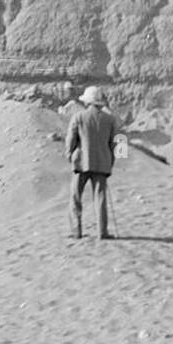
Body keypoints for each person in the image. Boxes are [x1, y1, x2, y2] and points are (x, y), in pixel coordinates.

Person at [65, 85, 120, 240]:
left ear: (87, 101)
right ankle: (102, 232)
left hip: (81, 163)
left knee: (76, 197)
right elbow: (114, 143)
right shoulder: (110, 119)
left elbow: (71, 140)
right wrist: (111, 162)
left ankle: (76, 231)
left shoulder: (78, 117)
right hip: (102, 163)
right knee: (100, 198)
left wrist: (70, 156)